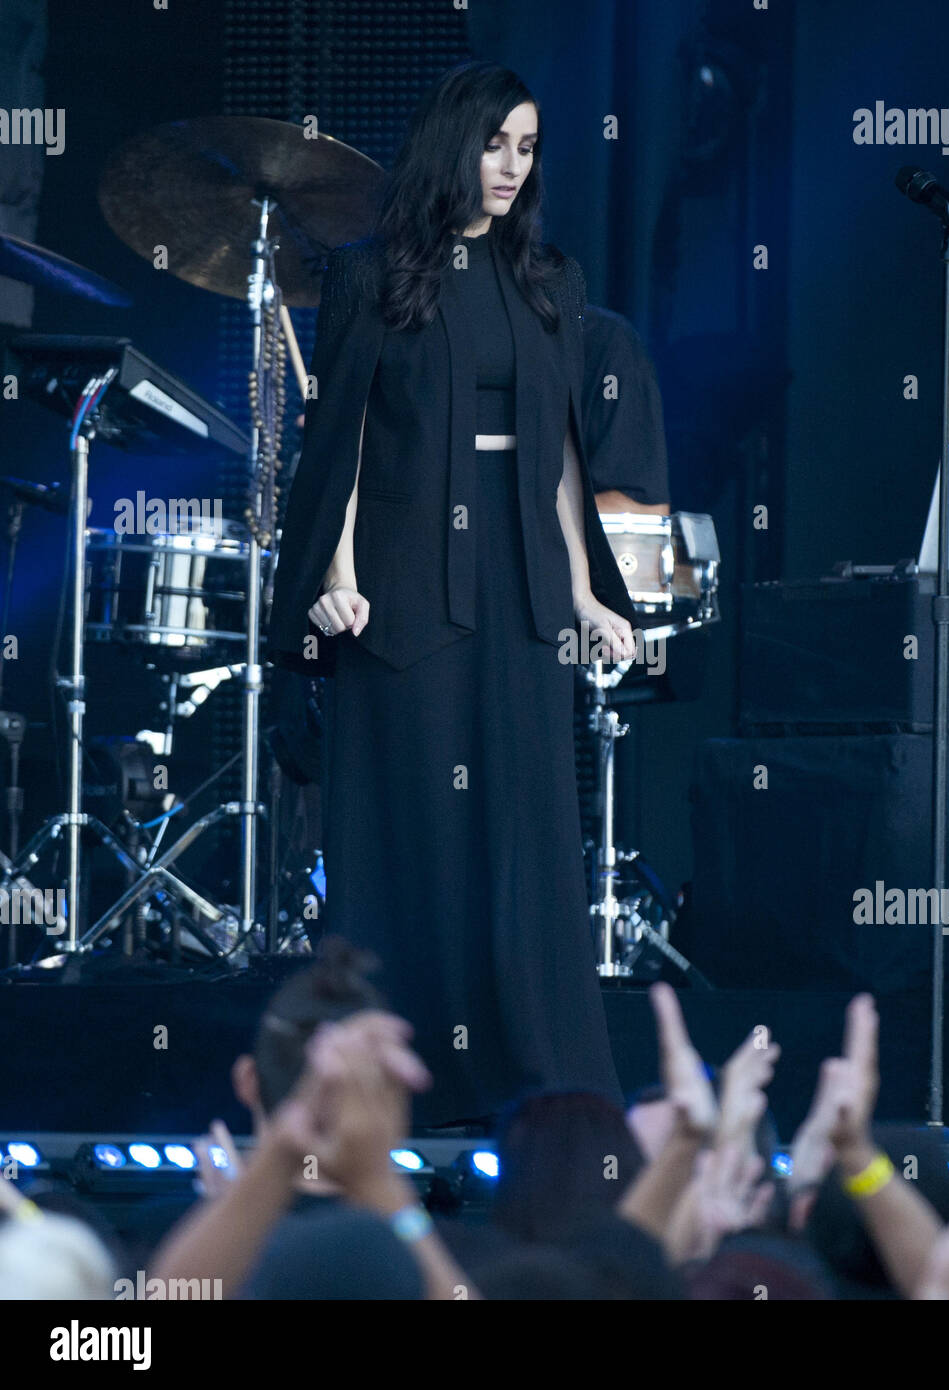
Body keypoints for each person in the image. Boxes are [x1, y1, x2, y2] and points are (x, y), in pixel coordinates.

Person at [270, 62, 640, 1128]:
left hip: (518, 583)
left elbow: (562, 455)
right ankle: (386, 1092)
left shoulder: (549, 282)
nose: (511, 168)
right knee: (411, 837)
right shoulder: (369, 272)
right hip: (400, 583)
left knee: (523, 837)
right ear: (453, 145)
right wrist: (332, 583)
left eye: (527, 149)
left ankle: (542, 1094)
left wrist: (581, 593)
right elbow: (333, 443)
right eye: (495, 145)